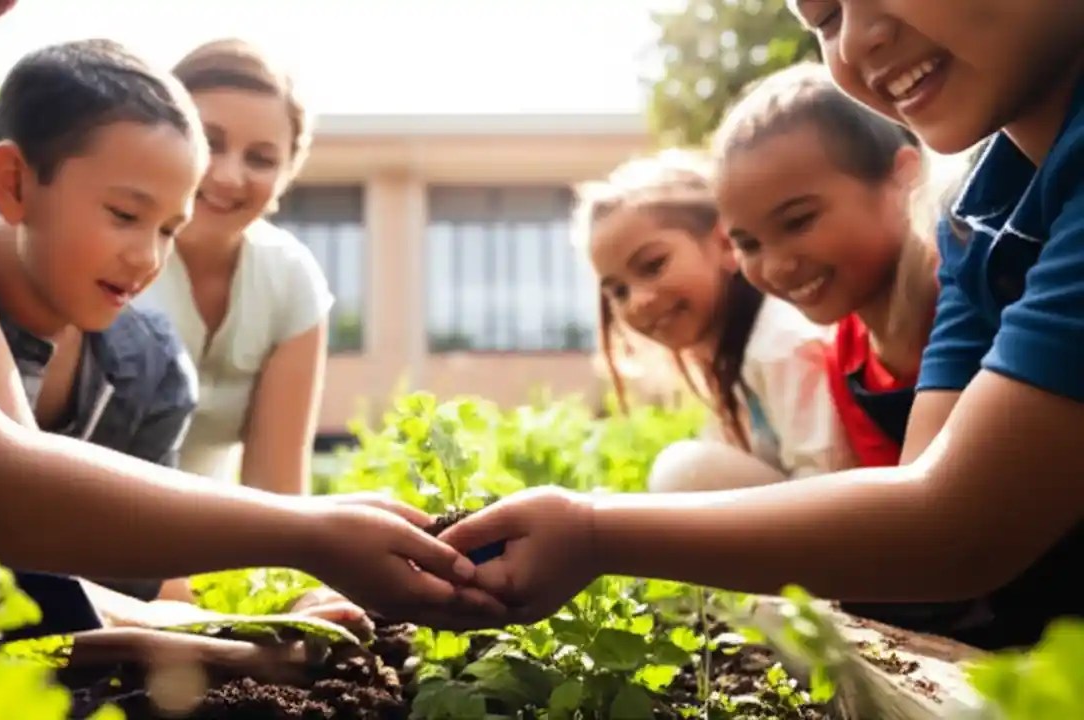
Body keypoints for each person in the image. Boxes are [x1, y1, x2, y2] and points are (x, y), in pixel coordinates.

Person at [0, 0, 491, 694]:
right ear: (13, 185)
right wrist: (308, 536)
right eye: (126, 215)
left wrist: (250, 620)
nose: (147, 257)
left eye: (169, 228)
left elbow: (19, 503)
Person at [439, 0, 1084, 651]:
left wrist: (594, 534)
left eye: (798, 220)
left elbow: (959, 528)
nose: (859, 38)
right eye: (826, 18)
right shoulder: (976, 222)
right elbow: (926, 505)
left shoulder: (806, 334)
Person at [0, 38, 370, 644]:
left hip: (172, 548)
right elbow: (1, 523)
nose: (229, 173)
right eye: (126, 215)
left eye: (168, 229)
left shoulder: (153, 358)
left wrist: (265, 610)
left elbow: (189, 560)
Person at [712, 61, 987, 637]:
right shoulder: (845, 354)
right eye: (748, 243)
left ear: (903, 176)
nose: (777, 263)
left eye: (799, 220)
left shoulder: (962, 294)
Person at [578, 149, 850, 492]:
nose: (638, 301)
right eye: (618, 292)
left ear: (724, 243)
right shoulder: (731, 369)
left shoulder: (781, 345)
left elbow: (829, 481)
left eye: (653, 265)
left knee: (681, 472)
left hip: (850, 529)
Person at [135, 38, 330, 497]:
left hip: (218, 548)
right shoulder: (112, 255)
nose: (227, 175)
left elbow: (278, 491)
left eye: (261, 159)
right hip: (93, 541)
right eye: (209, 143)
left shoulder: (290, 281)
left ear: (287, 175)